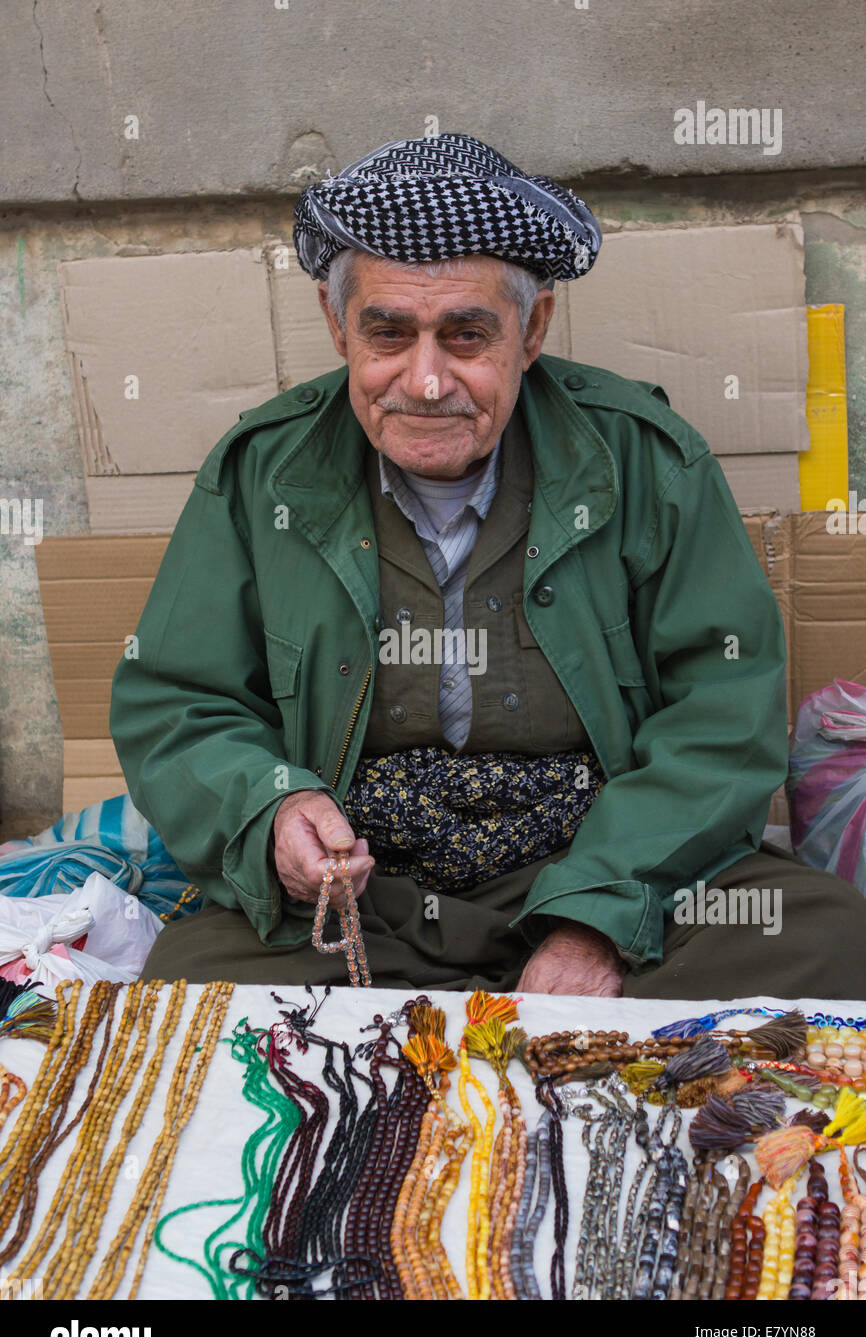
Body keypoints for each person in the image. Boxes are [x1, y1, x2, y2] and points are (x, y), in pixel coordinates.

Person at [110, 133, 866, 998]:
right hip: (369, 895)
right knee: (194, 988)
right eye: (387, 334)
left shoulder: (645, 459)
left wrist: (595, 918)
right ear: (336, 326)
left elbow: (723, 716)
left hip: (598, 865)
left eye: (466, 335)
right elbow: (177, 699)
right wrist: (271, 809)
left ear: (533, 327)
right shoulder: (261, 471)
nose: (426, 381)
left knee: (830, 939)